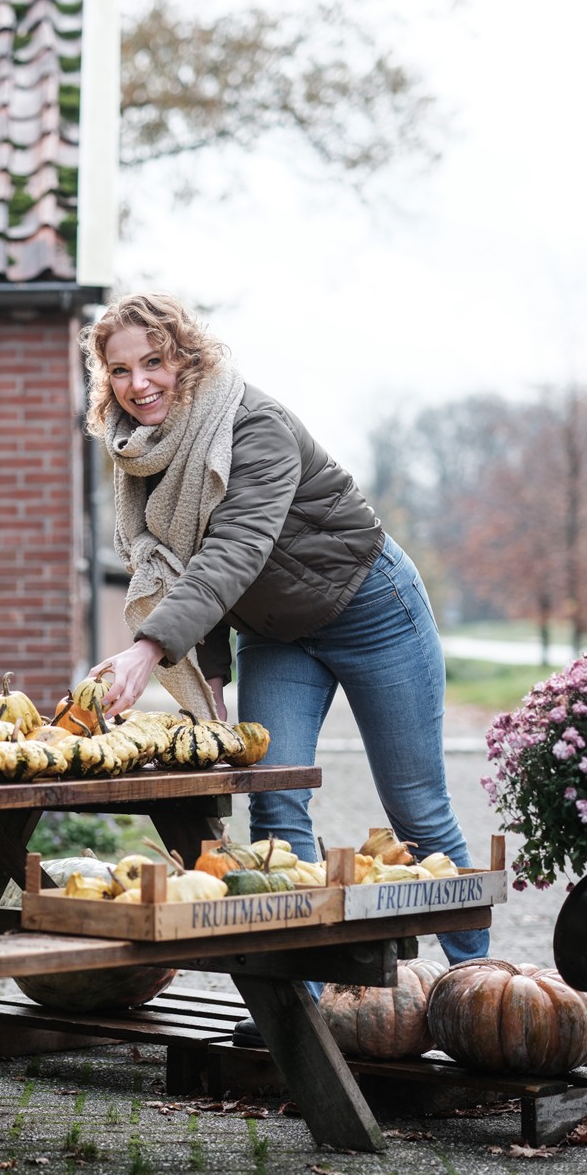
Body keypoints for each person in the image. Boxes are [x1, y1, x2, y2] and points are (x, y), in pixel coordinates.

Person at [83, 292, 489, 972]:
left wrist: (149, 647)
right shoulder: (142, 457)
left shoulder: (254, 425)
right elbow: (177, 561)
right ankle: (302, 1004)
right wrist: (210, 673)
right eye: (120, 371)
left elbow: (233, 549)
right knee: (273, 803)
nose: (139, 384)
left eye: (154, 361)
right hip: (275, 632)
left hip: (371, 608)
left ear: (186, 357)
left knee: (416, 808)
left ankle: (474, 980)